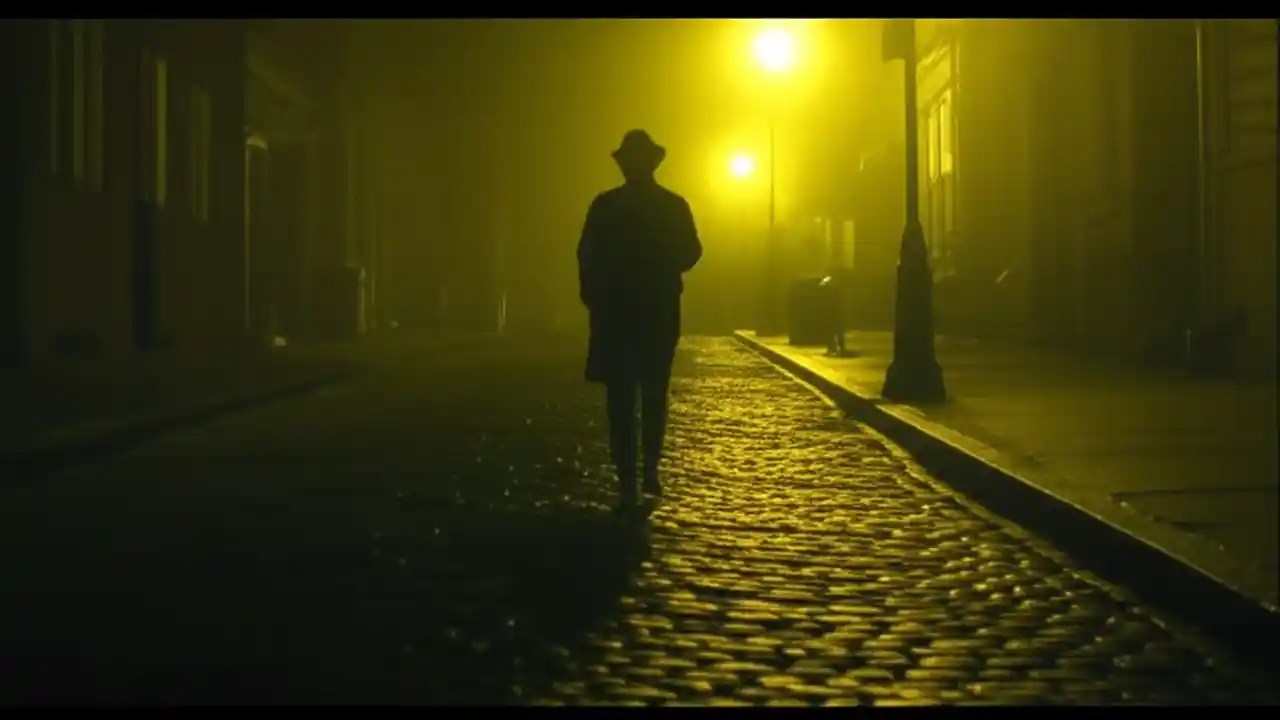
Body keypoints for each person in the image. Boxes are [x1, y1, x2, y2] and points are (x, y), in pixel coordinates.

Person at [577, 130, 702, 514]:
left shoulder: (605, 206)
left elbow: (586, 255)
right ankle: (648, 468)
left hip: (617, 314)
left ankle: (628, 473)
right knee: (652, 394)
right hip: (657, 311)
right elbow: (691, 251)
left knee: (620, 397)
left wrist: (595, 296)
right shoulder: (673, 206)